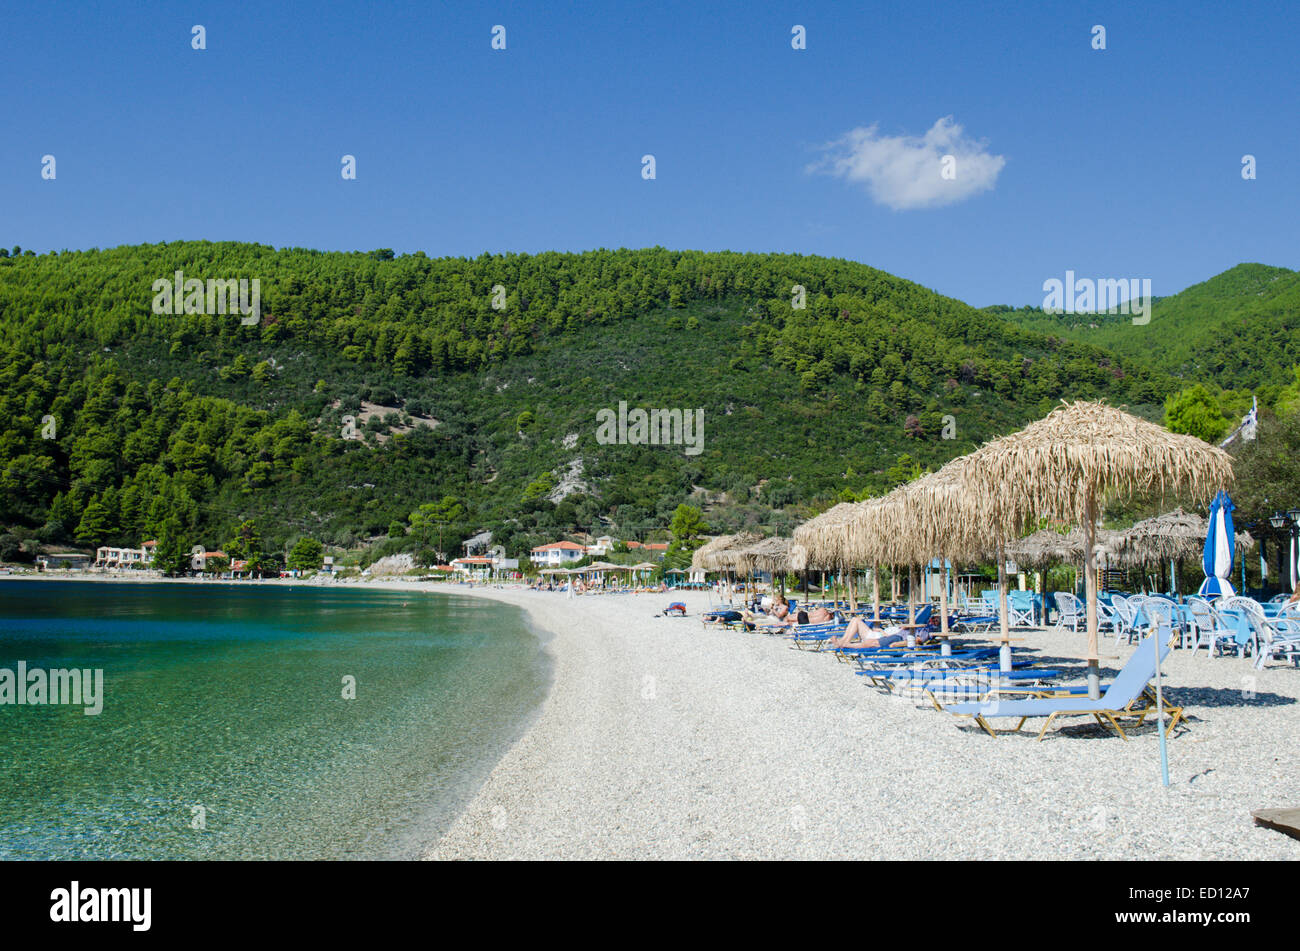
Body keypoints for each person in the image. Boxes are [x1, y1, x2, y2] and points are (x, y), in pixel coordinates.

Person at [828, 616, 907, 649]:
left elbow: (889, 638)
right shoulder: (897, 627)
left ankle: (844, 642)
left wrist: (881, 630)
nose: (902, 624)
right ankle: (843, 640)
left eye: (905, 623)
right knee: (854, 619)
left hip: (875, 638)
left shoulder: (900, 632)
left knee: (856, 620)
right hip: (874, 634)